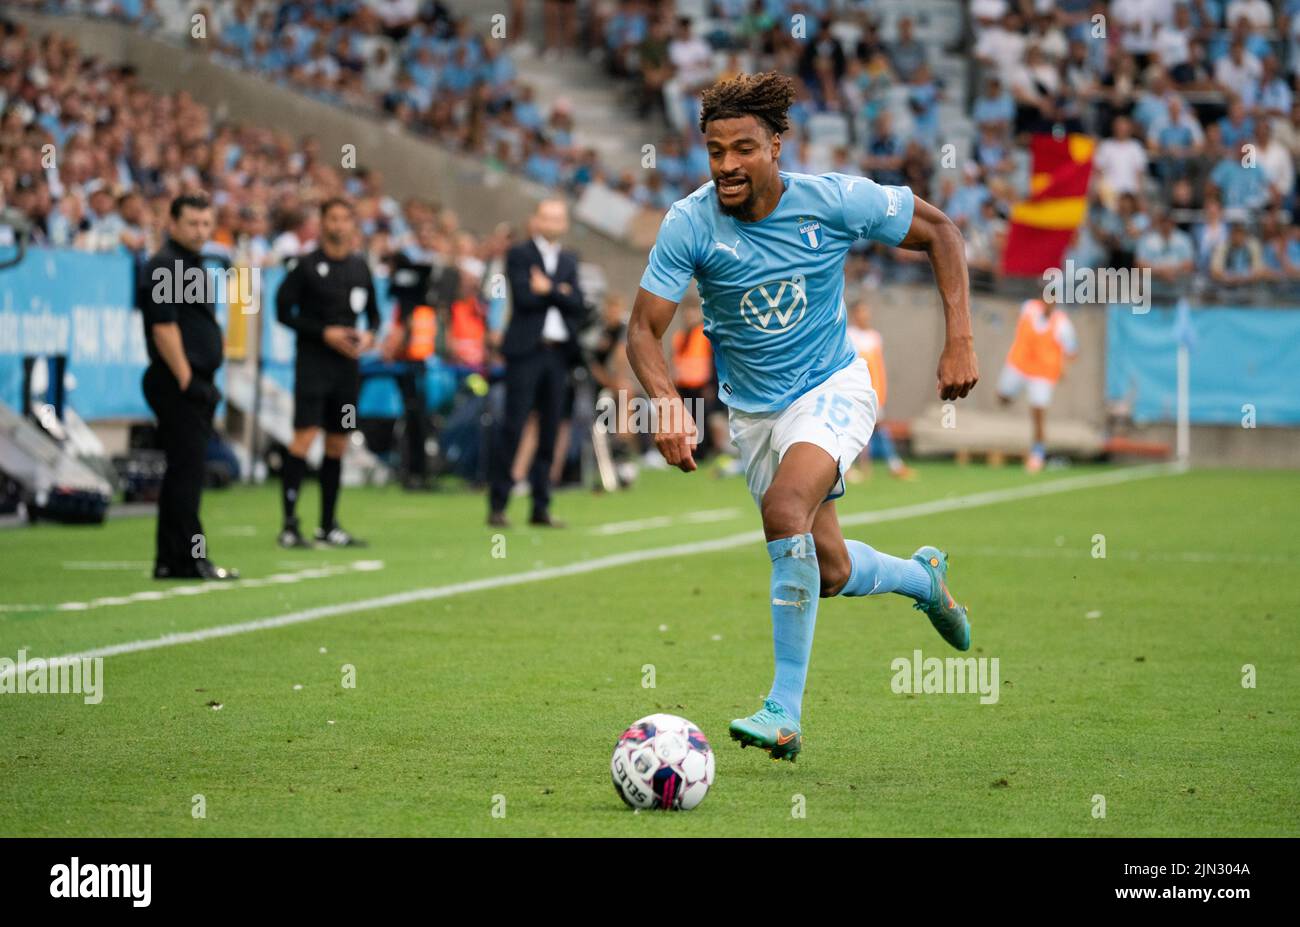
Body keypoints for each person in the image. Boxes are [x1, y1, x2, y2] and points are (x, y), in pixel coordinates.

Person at [626, 72, 979, 763]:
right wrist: (665, 400)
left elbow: (940, 230)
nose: (727, 165)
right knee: (832, 567)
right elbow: (643, 329)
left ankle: (783, 710)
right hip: (755, 415)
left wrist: (960, 335)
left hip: (832, 386)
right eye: (715, 150)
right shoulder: (690, 223)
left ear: (777, 145)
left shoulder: (835, 200)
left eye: (743, 149)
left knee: (786, 507)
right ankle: (923, 578)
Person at [139, 193, 238, 580]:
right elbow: (163, 328)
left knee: (183, 472)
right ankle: (191, 558)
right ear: (173, 223)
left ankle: (169, 559)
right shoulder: (166, 265)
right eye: (192, 223)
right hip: (179, 381)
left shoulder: (192, 265)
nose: (200, 231)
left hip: (192, 380)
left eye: (205, 223)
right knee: (188, 474)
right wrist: (187, 379)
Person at [274, 198, 380, 547]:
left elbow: (375, 316)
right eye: (331, 219)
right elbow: (283, 311)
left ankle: (328, 524)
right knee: (304, 436)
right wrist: (323, 332)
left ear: (353, 225)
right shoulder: (305, 266)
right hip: (313, 363)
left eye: (344, 219)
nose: (337, 226)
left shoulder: (360, 268)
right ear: (321, 223)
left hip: (347, 367)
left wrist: (367, 335)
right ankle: (290, 524)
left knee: (338, 441)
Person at [487, 199, 585, 528]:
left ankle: (540, 506)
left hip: (558, 354)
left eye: (559, 217)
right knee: (513, 426)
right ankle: (498, 503)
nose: (554, 222)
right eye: (548, 216)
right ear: (536, 220)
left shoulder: (569, 258)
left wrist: (550, 288)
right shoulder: (519, 254)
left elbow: (578, 304)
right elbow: (525, 297)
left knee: (550, 429)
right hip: (526, 352)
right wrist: (561, 292)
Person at [996, 293, 1078, 473]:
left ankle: (1037, 454)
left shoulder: (1063, 324)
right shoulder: (1029, 307)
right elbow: (1015, 316)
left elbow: (1072, 351)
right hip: (1018, 364)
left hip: (1042, 373)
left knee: (1038, 412)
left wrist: (1064, 366)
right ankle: (1011, 399)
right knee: (1002, 397)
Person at [846, 299, 916, 481]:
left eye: (867, 311)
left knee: (875, 427)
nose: (866, 315)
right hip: (855, 390)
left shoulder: (875, 337)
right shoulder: (849, 336)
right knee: (858, 427)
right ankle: (850, 468)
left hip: (874, 390)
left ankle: (881, 466)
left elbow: (877, 367)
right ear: (854, 314)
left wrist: (880, 389)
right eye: (862, 311)